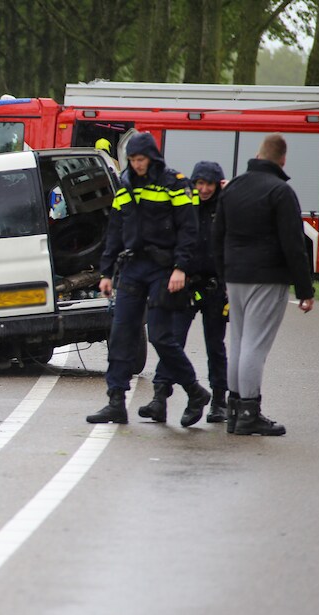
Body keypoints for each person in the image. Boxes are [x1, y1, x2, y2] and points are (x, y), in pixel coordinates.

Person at [87, 132, 210, 425]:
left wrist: (181, 267)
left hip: (163, 269)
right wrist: (105, 273)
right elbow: (115, 229)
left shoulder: (174, 183)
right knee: (120, 333)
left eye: (140, 159)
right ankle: (115, 401)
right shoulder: (125, 183)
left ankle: (194, 390)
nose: (136, 164)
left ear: (152, 157)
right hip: (132, 268)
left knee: (160, 337)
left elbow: (188, 228)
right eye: (131, 159)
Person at [213, 133, 315, 436]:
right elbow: (293, 244)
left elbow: (217, 237)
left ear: (258, 154)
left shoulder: (232, 189)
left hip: (235, 277)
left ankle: (233, 411)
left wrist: (224, 275)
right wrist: (305, 290)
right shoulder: (280, 192)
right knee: (255, 345)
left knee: (239, 342)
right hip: (267, 277)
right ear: (282, 159)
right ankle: (249, 412)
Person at [138, 161, 229, 425]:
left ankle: (219, 402)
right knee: (172, 340)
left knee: (215, 345)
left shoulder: (225, 208)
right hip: (185, 285)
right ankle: (159, 398)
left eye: (209, 184)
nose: (203, 189)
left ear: (217, 184)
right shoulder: (184, 203)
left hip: (215, 287)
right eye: (199, 183)